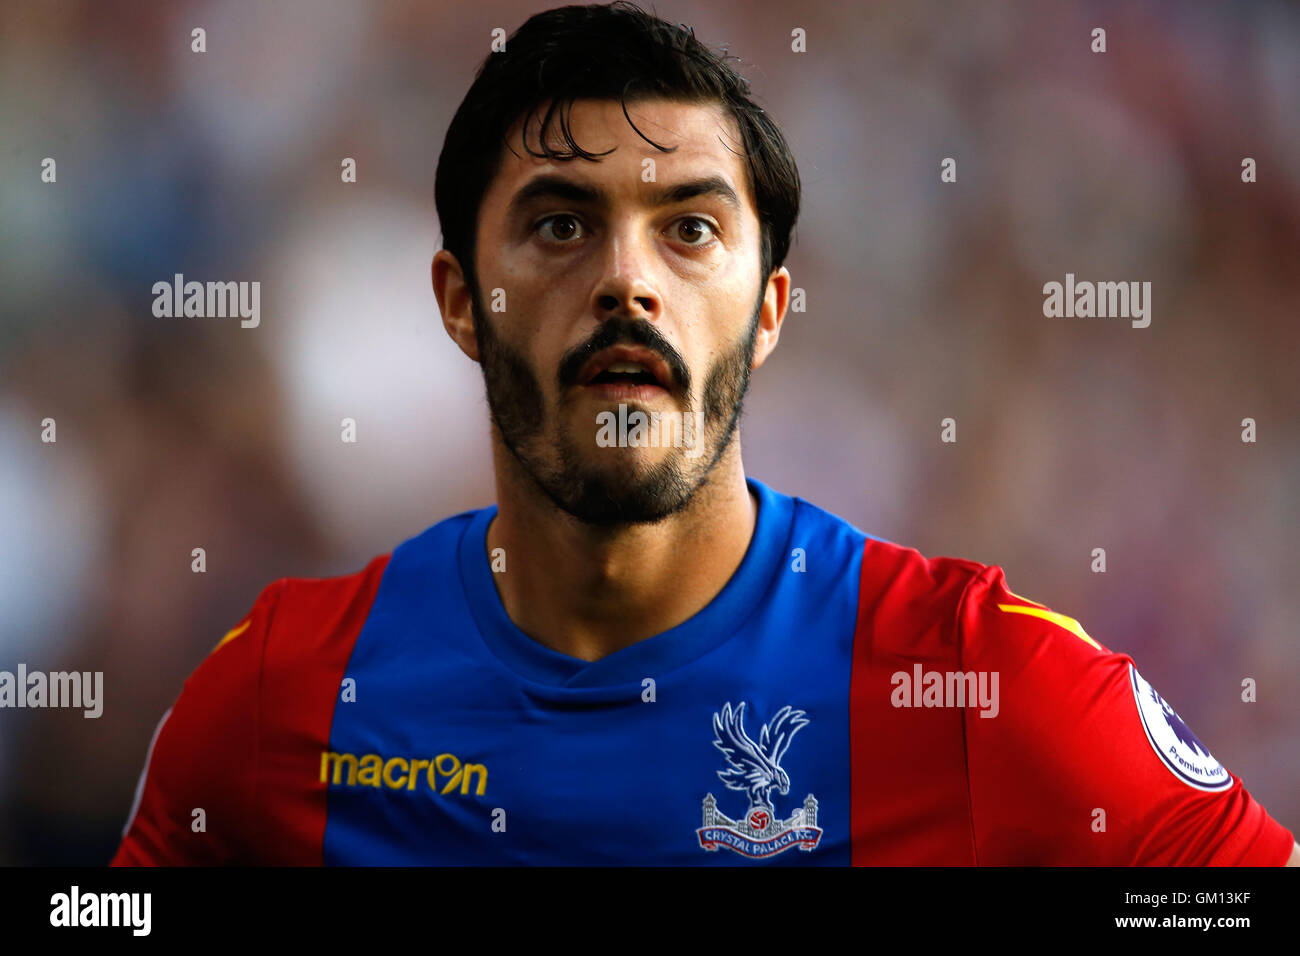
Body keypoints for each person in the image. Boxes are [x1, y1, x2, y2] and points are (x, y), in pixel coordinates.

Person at [112, 2, 1297, 866]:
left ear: (770, 308)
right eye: (561, 224)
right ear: (461, 300)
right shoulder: (282, 702)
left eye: (688, 230)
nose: (628, 281)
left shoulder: (986, 690)